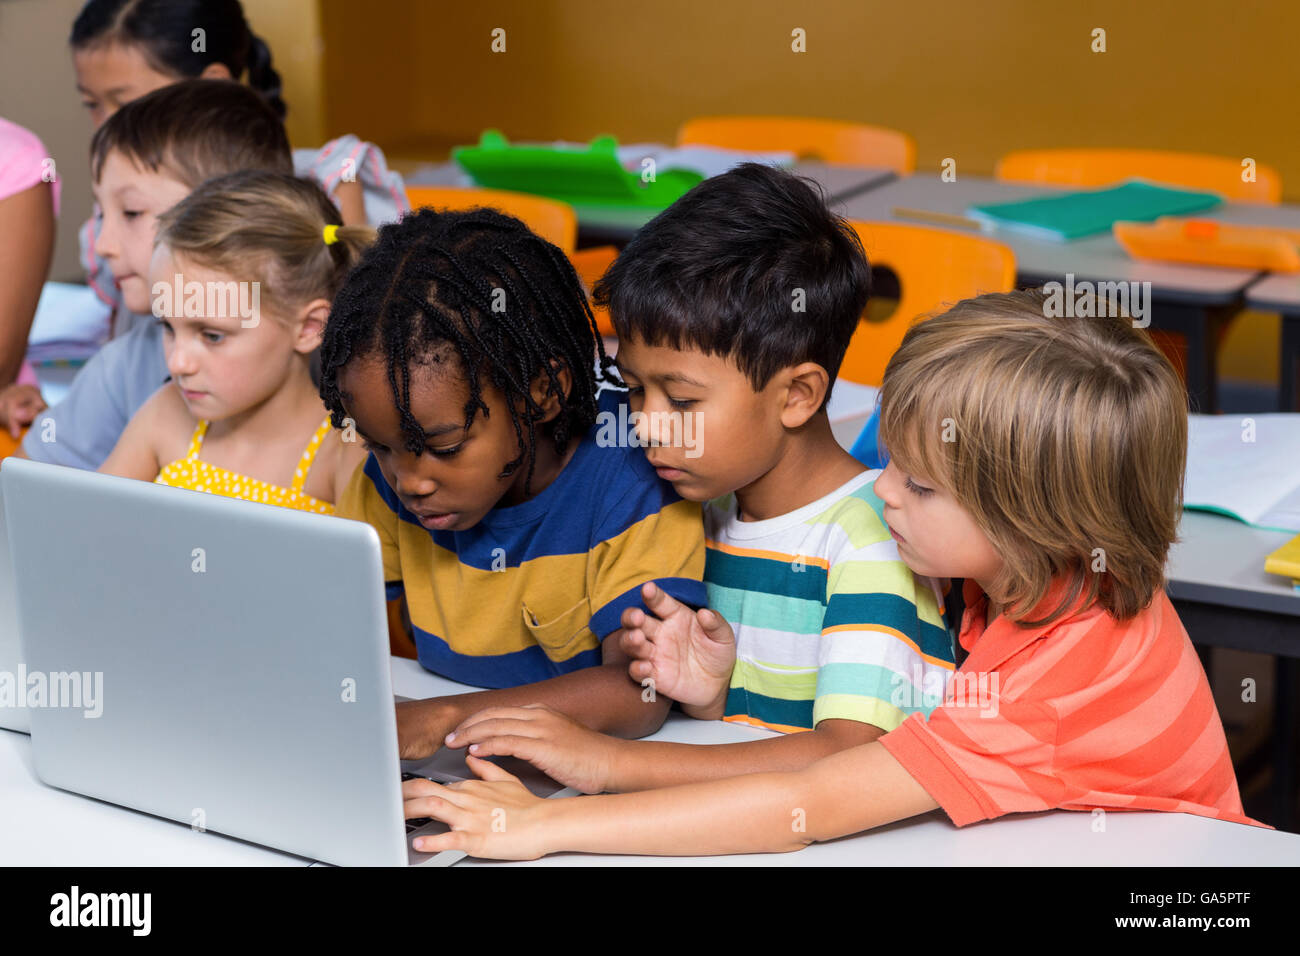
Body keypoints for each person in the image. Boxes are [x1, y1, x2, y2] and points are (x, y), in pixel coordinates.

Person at [401, 289, 1263, 859]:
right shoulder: (1025, 575)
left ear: (1032, 523)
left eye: (918, 485)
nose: (878, 488)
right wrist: (713, 696)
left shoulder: (1056, 688)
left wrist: (549, 822)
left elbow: (800, 808)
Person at [431, 164, 954, 796]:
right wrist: (705, 701)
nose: (645, 426)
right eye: (632, 388)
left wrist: (609, 764)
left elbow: (849, 758)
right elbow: (748, 726)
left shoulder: (872, 541)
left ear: (797, 396)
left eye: (680, 401)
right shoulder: (696, 509)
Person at [322, 207, 708, 755]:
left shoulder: (631, 473)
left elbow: (639, 692)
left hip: (581, 770)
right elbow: (327, 620)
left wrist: (451, 719)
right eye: (379, 446)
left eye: (444, 448)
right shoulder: (391, 477)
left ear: (542, 391)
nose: (408, 481)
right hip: (449, 746)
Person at [100, 170, 369, 513]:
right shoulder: (165, 416)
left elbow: (368, 567)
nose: (177, 363)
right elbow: (91, 530)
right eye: (167, 327)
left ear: (309, 328)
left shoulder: (341, 449)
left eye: (212, 336)